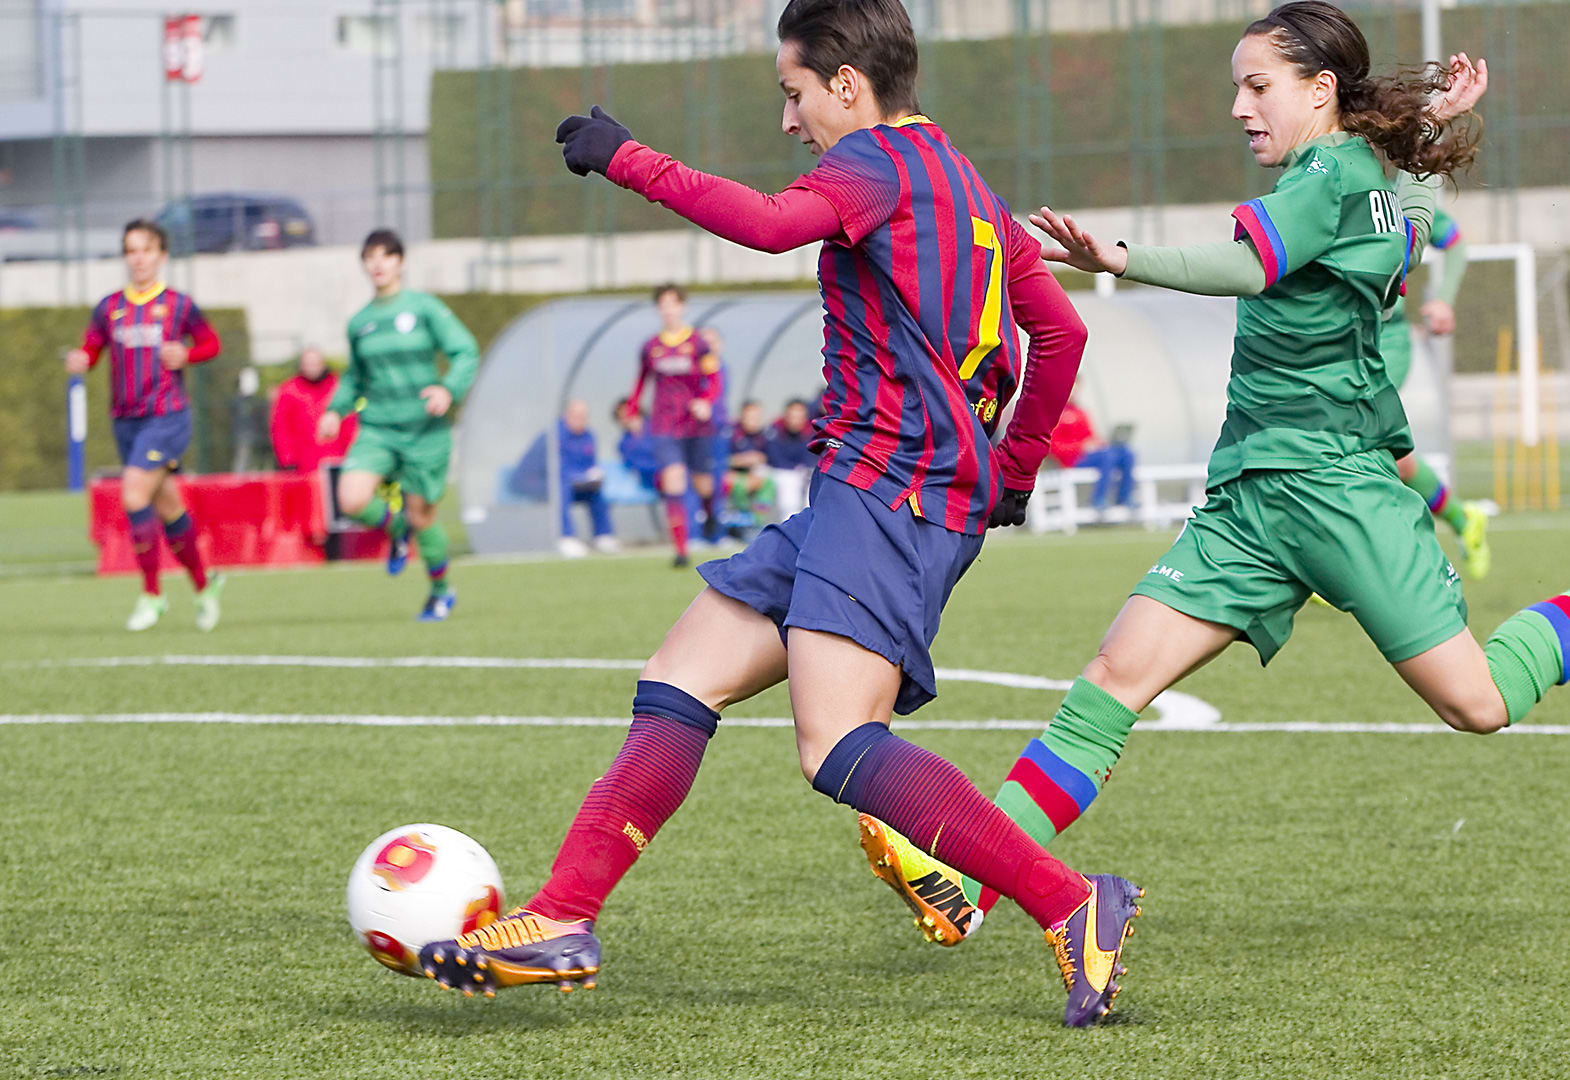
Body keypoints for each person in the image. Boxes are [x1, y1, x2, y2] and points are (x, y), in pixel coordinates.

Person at [854, 4, 1570, 950]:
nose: (1241, 108)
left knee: (1478, 704)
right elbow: (1409, 214)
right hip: (1254, 496)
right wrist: (1423, 139)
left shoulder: (1327, 172)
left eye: (1259, 87)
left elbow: (1251, 266)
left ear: (1320, 90)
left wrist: (1114, 257)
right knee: (1113, 680)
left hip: (1337, 492)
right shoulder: (1366, 177)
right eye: (1238, 89)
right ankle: (974, 878)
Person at [418, 0, 1131, 1027]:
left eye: (794, 95)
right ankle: (564, 915)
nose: (790, 122)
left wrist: (626, 158)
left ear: (849, 84)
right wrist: (1010, 472)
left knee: (837, 745)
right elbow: (1057, 331)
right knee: (679, 679)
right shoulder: (966, 186)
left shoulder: (875, 164)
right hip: (886, 495)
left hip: (888, 492)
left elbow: (763, 224)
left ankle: (1073, 903)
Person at [64, 218, 226, 632]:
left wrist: (188, 355)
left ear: (161, 256)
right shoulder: (109, 307)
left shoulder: (178, 304)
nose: (138, 258)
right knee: (166, 505)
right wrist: (82, 359)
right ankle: (205, 587)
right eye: (131, 250)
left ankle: (152, 596)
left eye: (146, 250)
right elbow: (93, 346)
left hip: (167, 415)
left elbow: (211, 343)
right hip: (126, 421)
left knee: (133, 493)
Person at [317, 229, 480, 622]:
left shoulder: (424, 308)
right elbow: (354, 377)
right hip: (379, 429)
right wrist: (335, 410)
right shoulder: (360, 322)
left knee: (424, 517)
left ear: (400, 262)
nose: (377, 263)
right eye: (370, 256)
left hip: (425, 431)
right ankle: (396, 530)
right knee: (351, 498)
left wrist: (448, 388)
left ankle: (441, 591)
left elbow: (465, 351)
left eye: (386, 255)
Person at [1384, 206, 1491, 578]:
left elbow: (1453, 240)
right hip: (1333, 342)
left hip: (1384, 342)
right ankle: (1463, 519)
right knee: (1393, 458)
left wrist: (1444, 297)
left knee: (1351, 440)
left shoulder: (1395, 196)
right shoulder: (1313, 185)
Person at [624, 284, 724, 567]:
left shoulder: (699, 343)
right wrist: (632, 409)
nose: (668, 310)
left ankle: (710, 512)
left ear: (682, 307)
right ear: (659, 309)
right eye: (663, 305)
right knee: (673, 480)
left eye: (673, 304)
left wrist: (706, 400)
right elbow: (640, 382)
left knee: (703, 485)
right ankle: (681, 550)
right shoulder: (650, 347)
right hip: (664, 425)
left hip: (696, 426)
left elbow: (714, 380)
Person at [271, 347, 357, 473]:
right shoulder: (289, 390)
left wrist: (353, 453)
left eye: (315, 363)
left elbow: (350, 424)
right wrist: (287, 459)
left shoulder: (337, 387)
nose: (312, 368)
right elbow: (280, 428)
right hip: (303, 465)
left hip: (337, 460)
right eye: (308, 364)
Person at [1049, 394, 1136, 516]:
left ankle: (1124, 497)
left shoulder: (1081, 412)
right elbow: (1052, 446)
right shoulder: (1053, 413)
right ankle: (1098, 499)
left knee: (1127, 453)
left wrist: (1098, 443)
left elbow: (1090, 436)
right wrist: (1080, 446)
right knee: (1108, 456)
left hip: (1090, 456)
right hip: (1072, 461)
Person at [555, 399, 619, 557]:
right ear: (567, 415)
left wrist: (593, 475)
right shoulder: (555, 434)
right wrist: (582, 476)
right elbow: (555, 470)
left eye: (584, 416)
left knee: (595, 491)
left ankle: (603, 536)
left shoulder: (589, 435)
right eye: (577, 415)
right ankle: (566, 537)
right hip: (543, 484)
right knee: (561, 488)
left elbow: (590, 463)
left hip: (576, 483)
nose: (581, 420)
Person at [724, 399, 776, 534]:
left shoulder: (764, 435)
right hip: (733, 475)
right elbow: (720, 460)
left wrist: (759, 459)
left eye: (757, 417)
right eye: (750, 417)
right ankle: (740, 524)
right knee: (739, 484)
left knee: (769, 483)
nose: (754, 420)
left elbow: (773, 459)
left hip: (755, 475)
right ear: (742, 416)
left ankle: (757, 522)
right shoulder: (730, 434)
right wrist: (741, 460)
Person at [765, 396, 817, 519]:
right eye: (792, 416)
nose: (795, 420)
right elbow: (776, 459)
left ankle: (808, 521)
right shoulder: (775, 431)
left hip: (802, 474)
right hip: (780, 473)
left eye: (799, 416)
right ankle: (788, 520)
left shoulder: (811, 432)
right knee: (789, 482)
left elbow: (810, 459)